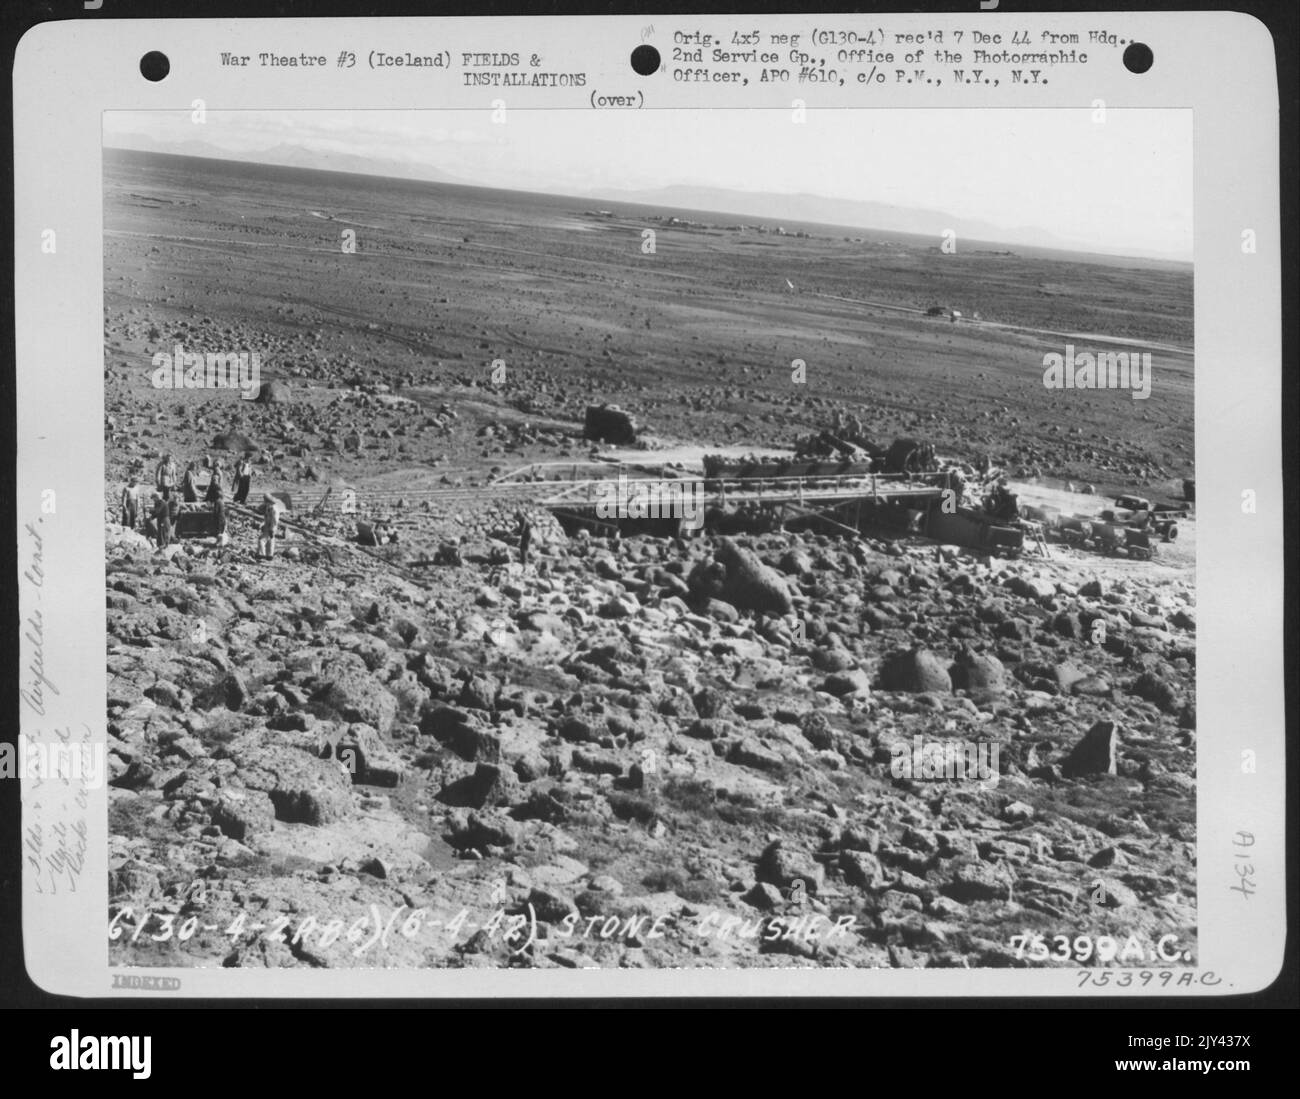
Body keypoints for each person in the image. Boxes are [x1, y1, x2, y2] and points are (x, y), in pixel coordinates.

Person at [258, 493, 283, 560]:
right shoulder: (269, 507)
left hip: (271, 526)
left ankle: (261, 554)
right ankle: (269, 555)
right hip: (268, 525)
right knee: (270, 540)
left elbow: (275, 520)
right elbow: (261, 510)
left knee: (261, 539)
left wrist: (272, 528)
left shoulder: (273, 509)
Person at [206, 469, 227, 544]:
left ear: (217, 480)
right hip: (214, 504)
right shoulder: (211, 486)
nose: (213, 481)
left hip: (218, 512)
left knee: (218, 526)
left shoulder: (218, 487)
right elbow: (208, 495)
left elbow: (221, 496)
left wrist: (212, 510)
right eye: (213, 480)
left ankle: (218, 539)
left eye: (215, 480)